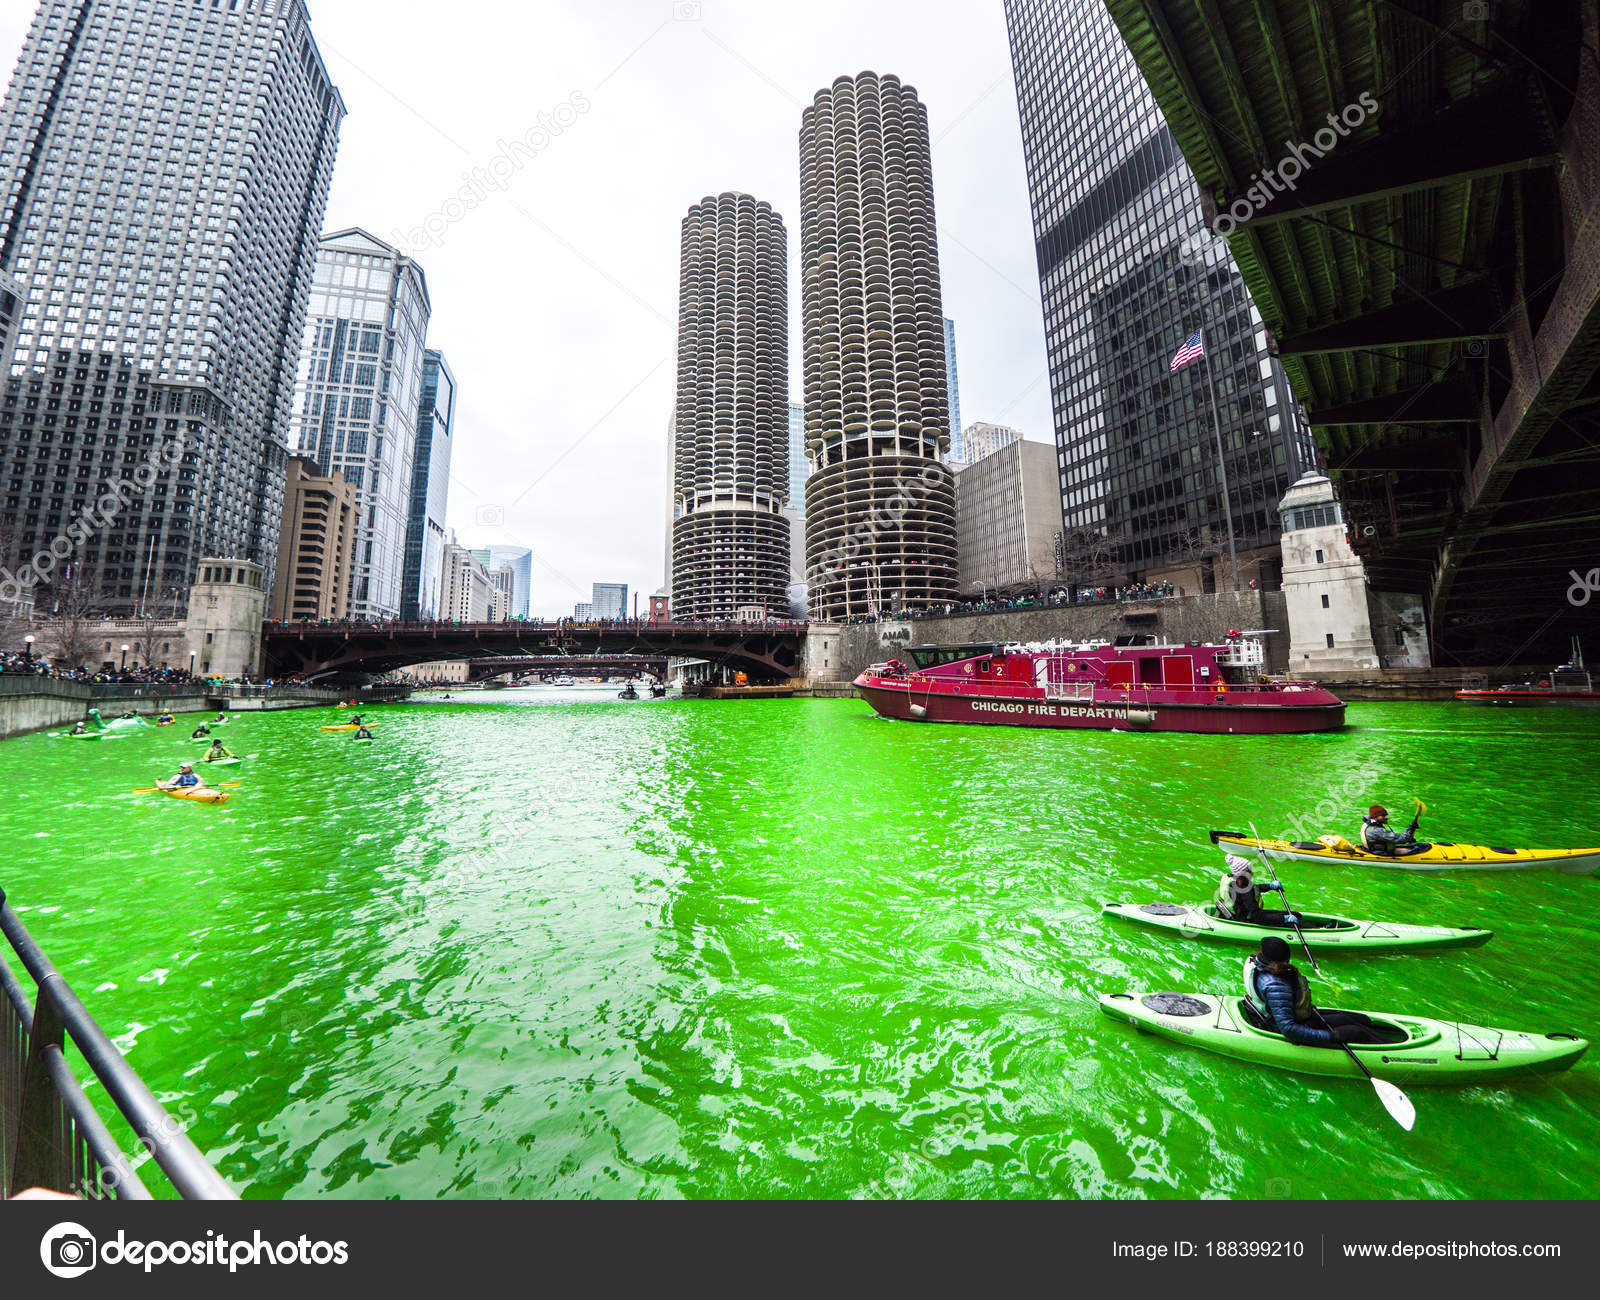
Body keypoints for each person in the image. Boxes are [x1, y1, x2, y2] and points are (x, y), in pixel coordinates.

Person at [1247, 937, 1397, 1046]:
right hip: (1286, 1027)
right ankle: (1392, 1049)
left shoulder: (1260, 963)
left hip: (1299, 1017)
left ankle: (1387, 1041)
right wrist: (1331, 1036)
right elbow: (1288, 1029)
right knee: (1357, 1032)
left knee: (1358, 1019)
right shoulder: (1276, 986)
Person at [1215, 855, 1293, 925]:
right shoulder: (1246, 891)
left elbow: (1255, 888)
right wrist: (1283, 919)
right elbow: (1257, 916)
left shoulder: (1235, 882)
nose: (1252, 872)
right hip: (1247, 920)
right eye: (1249, 870)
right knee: (1295, 916)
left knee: (1296, 915)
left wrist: (1270, 886)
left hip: (1241, 914)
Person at [1361, 804, 1427, 856]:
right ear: (1375, 817)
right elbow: (1403, 838)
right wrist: (1411, 827)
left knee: (1418, 846)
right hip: (1380, 853)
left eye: (1386, 815)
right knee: (1417, 849)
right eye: (1383, 816)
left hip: (1373, 849)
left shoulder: (1368, 824)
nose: (1386, 817)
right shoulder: (1377, 831)